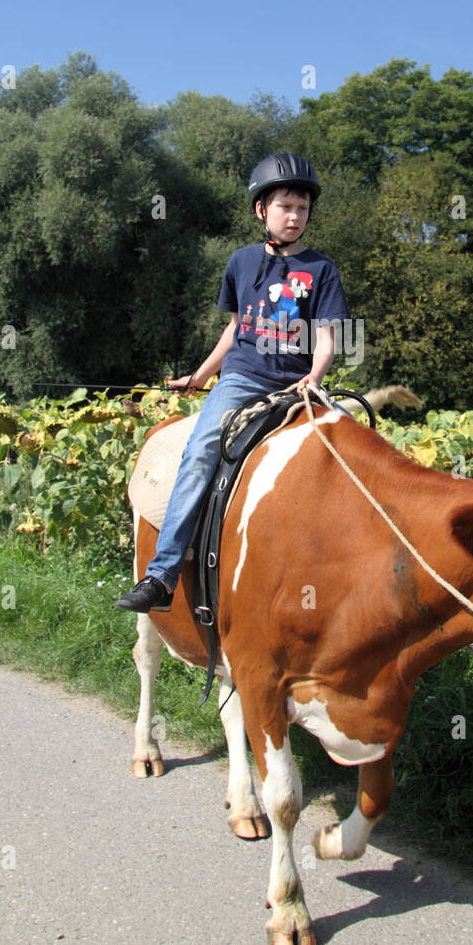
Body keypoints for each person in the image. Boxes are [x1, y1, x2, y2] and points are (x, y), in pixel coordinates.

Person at [117, 153, 349, 613]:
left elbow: (326, 338)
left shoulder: (322, 270)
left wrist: (315, 377)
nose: (295, 216)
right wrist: (201, 376)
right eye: (286, 206)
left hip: (296, 386)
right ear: (262, 210)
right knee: (203, 447)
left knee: (350, 452)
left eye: (302, 208)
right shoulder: (241, 262)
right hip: (243, 378)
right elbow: (235, 328)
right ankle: (162, 576)